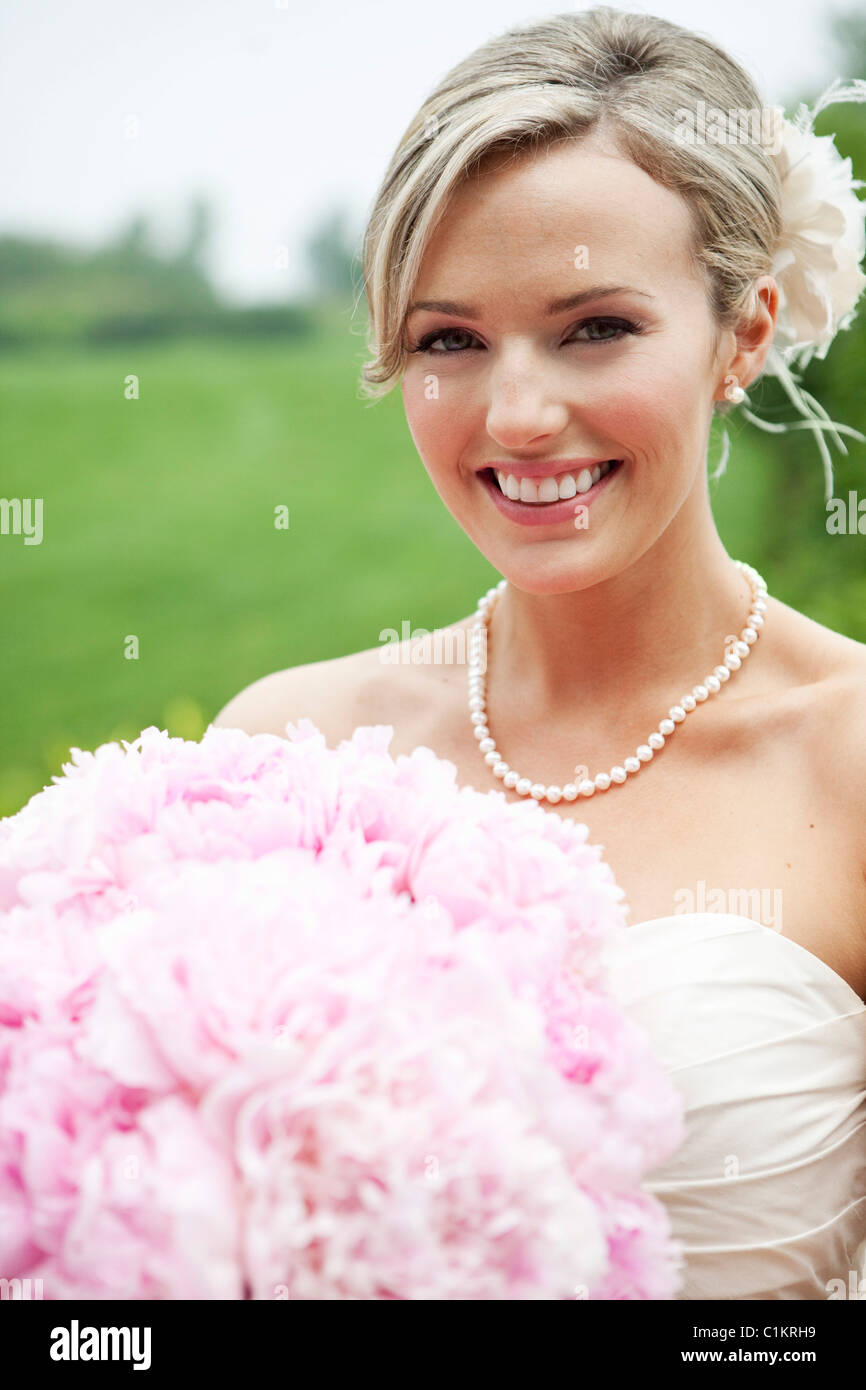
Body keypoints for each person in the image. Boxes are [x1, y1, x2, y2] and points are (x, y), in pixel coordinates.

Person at [214, 9, 866, 1299]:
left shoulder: (848, 758)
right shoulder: (279, 757)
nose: (517, 415)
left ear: (742, 335)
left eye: (596, 327)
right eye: (449, 341)